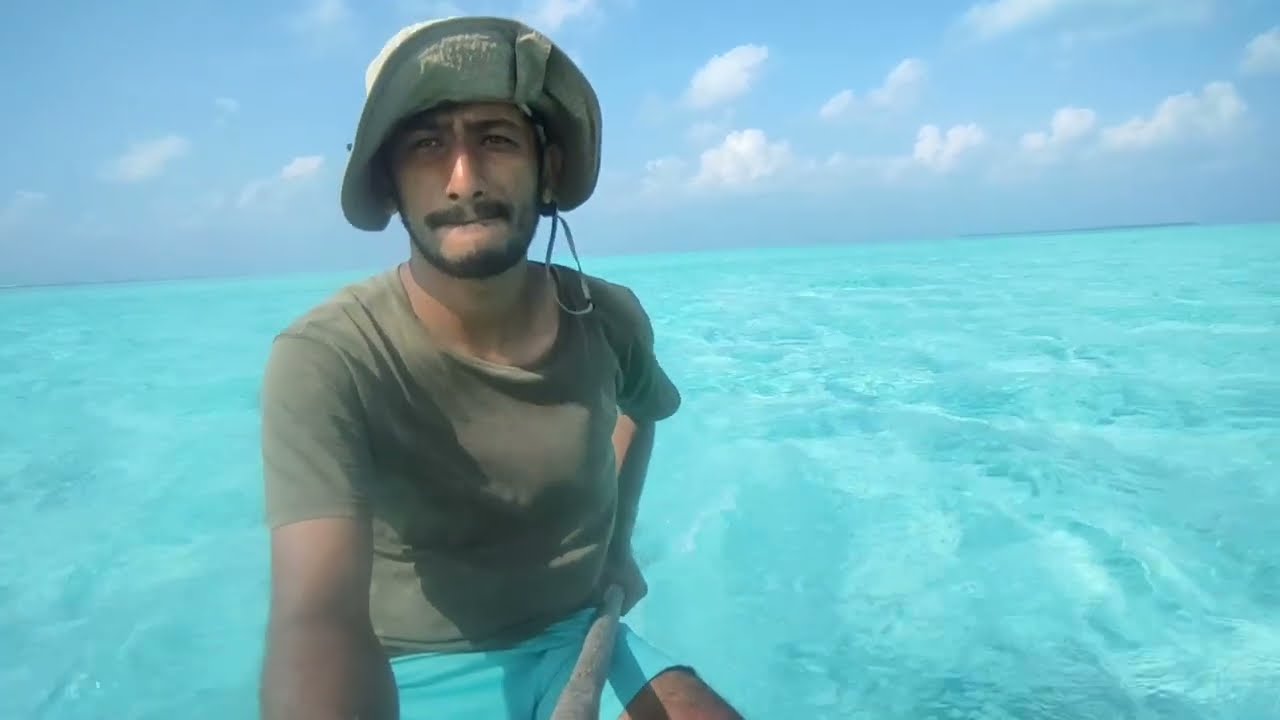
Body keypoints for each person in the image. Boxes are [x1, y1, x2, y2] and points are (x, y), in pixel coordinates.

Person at [256, 16, 742, 720]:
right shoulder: (330, 357)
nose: (464, 180)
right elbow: (318, 619)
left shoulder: (607, 320)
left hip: (579, 635)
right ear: (389, 183)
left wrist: (617, 544)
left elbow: (642, 407)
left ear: (547, 169)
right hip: (409, 665)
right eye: (427, 145)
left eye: (495, 138)